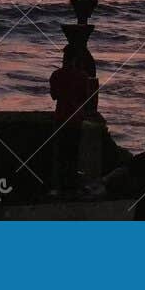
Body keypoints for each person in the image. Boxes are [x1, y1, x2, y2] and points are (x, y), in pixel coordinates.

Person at [48, 47, 92, 194]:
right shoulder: (82, 76)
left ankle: (59, 186)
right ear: (75, 60)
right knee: (73, 154)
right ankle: (72, 186)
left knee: (60, 154)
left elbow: (54, 96)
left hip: (60, 117)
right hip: (75, 119)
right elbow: (84, 98)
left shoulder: (56, 75)